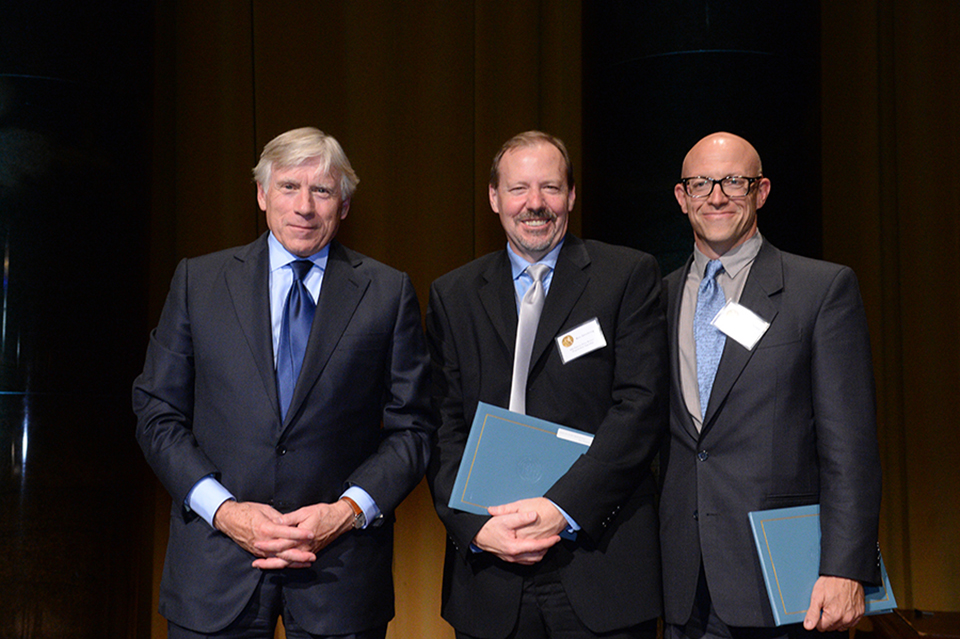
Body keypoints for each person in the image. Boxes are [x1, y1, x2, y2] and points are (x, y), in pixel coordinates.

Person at [133, 127, 433, 639]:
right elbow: (157, 412)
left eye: (322, 191)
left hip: (338, 572)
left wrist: (346, 512)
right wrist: (223, 511)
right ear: (261, 194)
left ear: (344, 205)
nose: (305, 206)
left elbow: (415, 427)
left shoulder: (387, 291)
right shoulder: (198, 282)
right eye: (290, 186)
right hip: (214, 567)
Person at [426, 131, 668, 639]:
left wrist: (561, 508)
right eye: (518, 189)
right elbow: (441, 426)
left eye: (550, 188)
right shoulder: (454, 293)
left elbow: (639, 409)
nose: (534, 204)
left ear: (572, 196)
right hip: (489, 572)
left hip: (599, 562)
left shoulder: (626, 276)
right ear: (494, 198)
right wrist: (474, 526)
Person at [660, 132, 883, 639]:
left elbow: (850, 446)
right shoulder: (659, 296)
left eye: (733, 182)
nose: (716, 196)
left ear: (760, 191)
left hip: (787, 584)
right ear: (681, 197)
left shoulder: (820, 290)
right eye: (701, 184)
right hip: (683, 587)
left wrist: (845, 567)